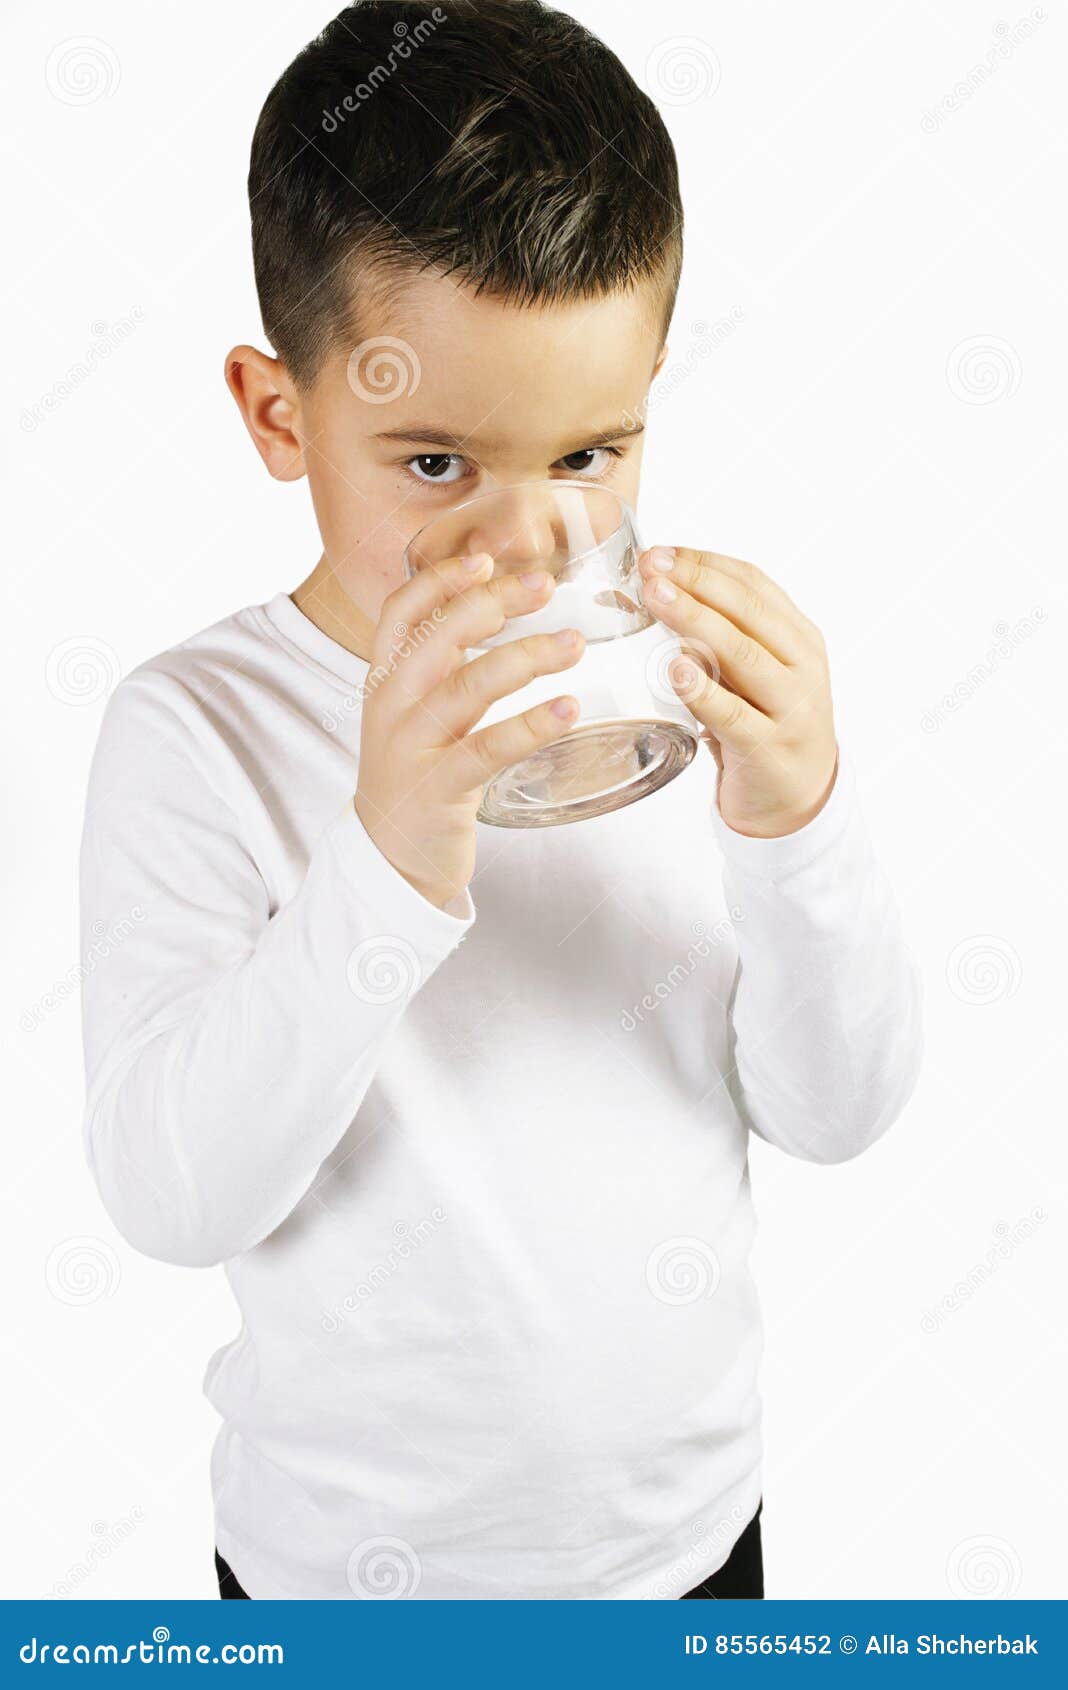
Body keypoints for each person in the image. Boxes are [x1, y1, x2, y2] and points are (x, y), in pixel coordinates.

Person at [78, 0, 923, 1600]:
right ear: (282, 414)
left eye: (593, 453)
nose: (531, 548)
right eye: (436, 464)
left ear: (654, 388)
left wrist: (798, 820)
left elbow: (840, 1107)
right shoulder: (200, 732)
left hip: (685, 1550)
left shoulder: (677, 697)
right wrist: (388, 855)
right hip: (340, 1578)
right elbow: (173, 1194)